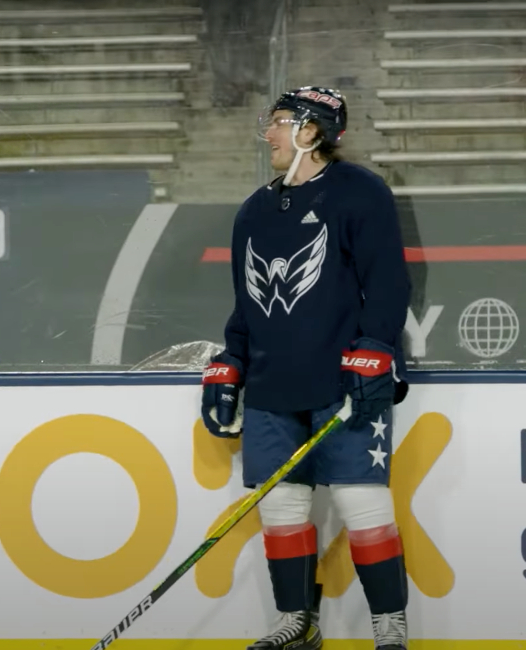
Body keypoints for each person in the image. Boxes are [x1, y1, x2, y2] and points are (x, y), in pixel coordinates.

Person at [199, 86, 413, 650]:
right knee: (282, 508)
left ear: (312, 131)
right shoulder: (254, 210)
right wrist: (231, 361)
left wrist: (375, 348)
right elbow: (247, 303)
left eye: (278, 122)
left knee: (362, 503)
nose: (268, 133)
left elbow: (388, 282)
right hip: (273, 387)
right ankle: (297, 622)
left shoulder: (359, 192)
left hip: (343, 382)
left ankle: (389, 627)